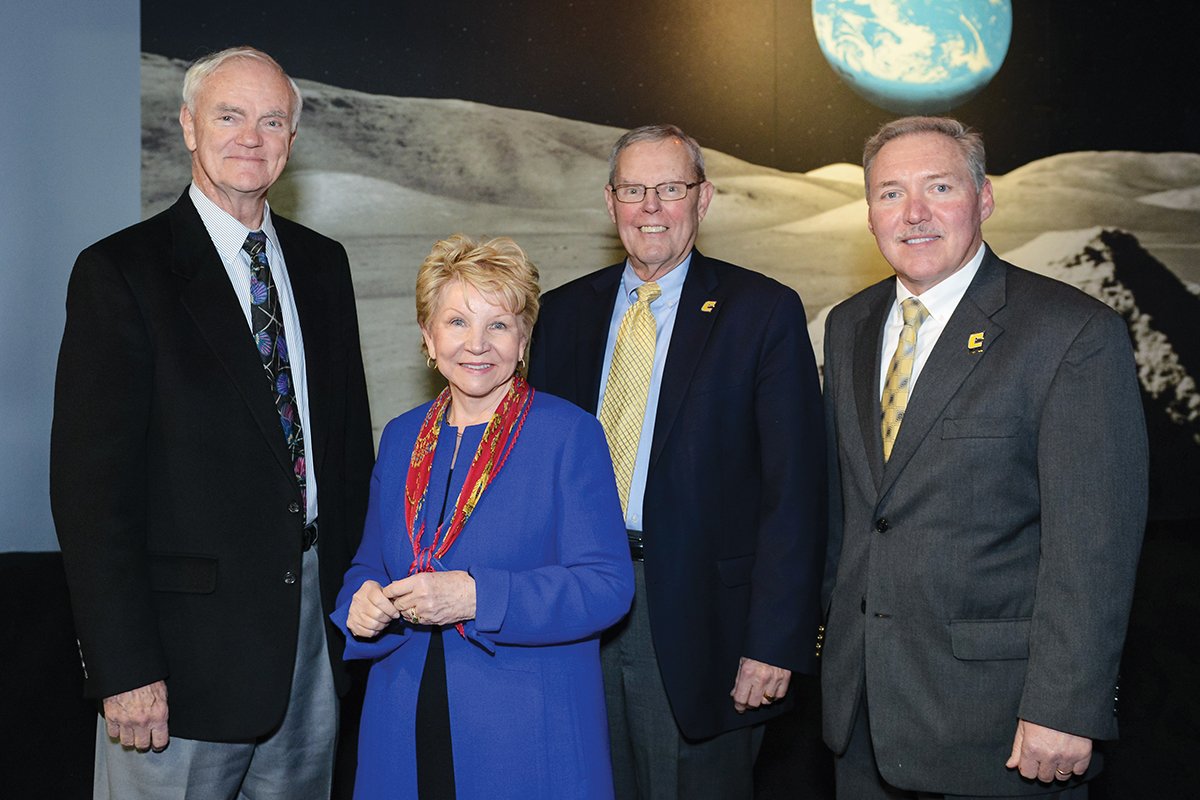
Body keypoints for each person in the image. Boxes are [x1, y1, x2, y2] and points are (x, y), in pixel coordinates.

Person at [50, 47, 375, 798]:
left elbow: (348, 449)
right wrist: (124, 668)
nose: (251, 137)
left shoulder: (324, 266)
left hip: (311, 645)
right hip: (178, 664)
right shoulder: (121, 273)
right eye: (229, 116)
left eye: (272, 121)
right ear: (189, 128)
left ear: (292, 141)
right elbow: (91, 494)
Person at [820, 116, 1149, 799]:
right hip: (862, 715)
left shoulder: (1071, 334)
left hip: (999, 727)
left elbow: (1092, 547)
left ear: (984, 198)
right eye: (889, 193)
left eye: (938, 187)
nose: (913, 213)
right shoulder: (848, 326)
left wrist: (1064, 706)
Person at [527, 124, 827, 799]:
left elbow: (795, 493)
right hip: (573, 612)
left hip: (702, 630)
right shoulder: (560, 315)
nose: (652, 207)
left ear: (704, 198)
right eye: (634, 190)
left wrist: (776, 641)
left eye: (670, 188)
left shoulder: (762, 312)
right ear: (610, 203)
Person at [334, 234, 634, 799]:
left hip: (525, 732)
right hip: (403, 718)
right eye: (456, 322)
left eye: (498, 324)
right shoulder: (401, 439)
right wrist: (362, 600)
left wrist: (478, 597)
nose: (477, 344)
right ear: (428, 337)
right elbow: (366, 564)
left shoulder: (567, 434)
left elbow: (608, 586)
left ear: (524, 340)